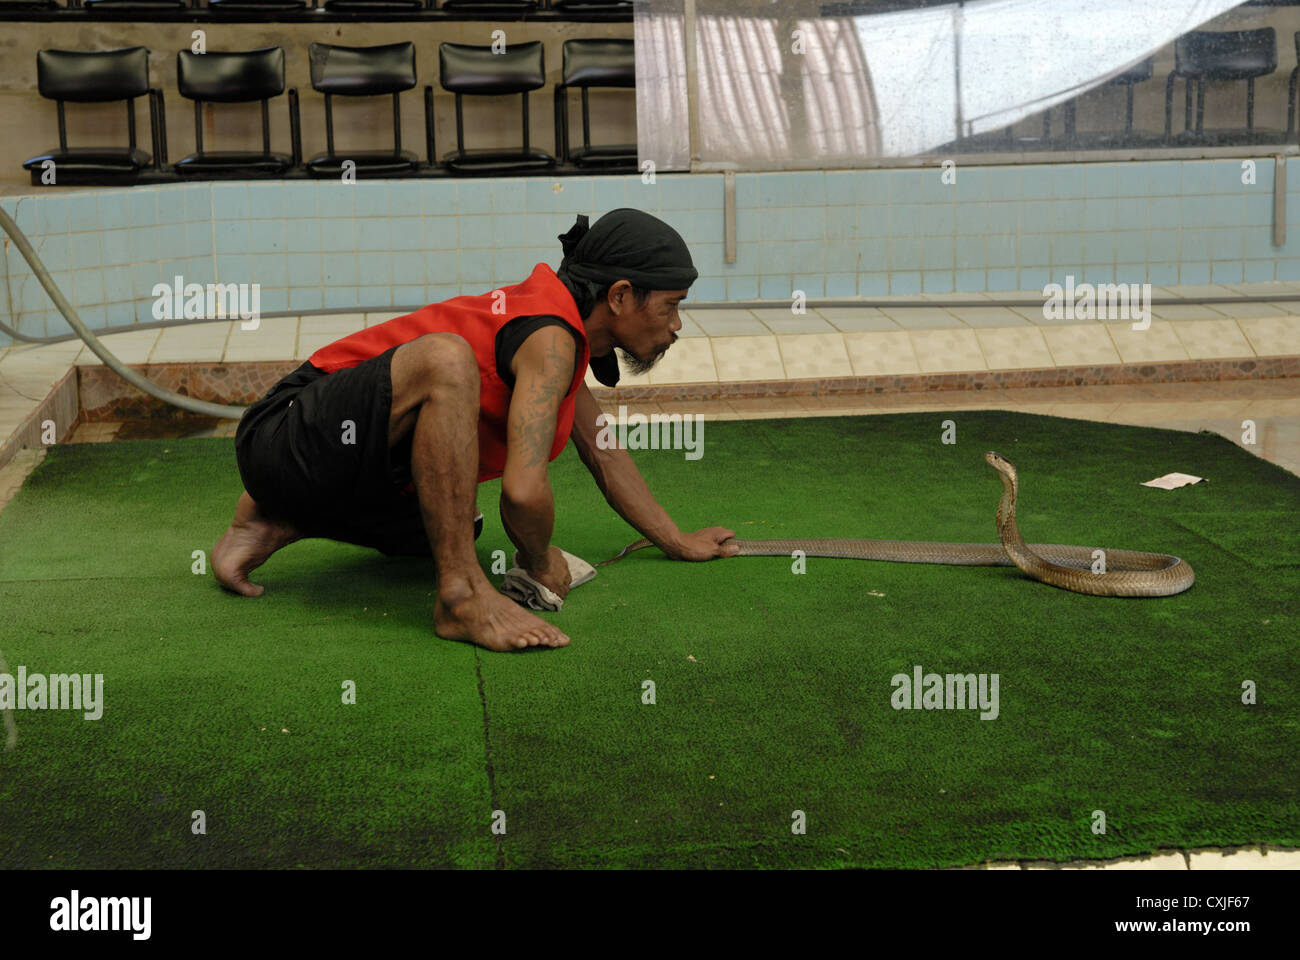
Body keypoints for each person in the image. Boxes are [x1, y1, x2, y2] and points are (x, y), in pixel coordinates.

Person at [213, 208, 739, 652]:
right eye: (671, 305)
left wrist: (676, 540)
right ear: (621, 295)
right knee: (447, 357)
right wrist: (539, 560)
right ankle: (461, 595)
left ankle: (272, 519)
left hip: (321, 472)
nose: (676, 325)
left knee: (453, 521)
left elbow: (606, 454)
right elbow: (524, 489)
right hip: (281, 431)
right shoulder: (549, 340)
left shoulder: (566, 340)